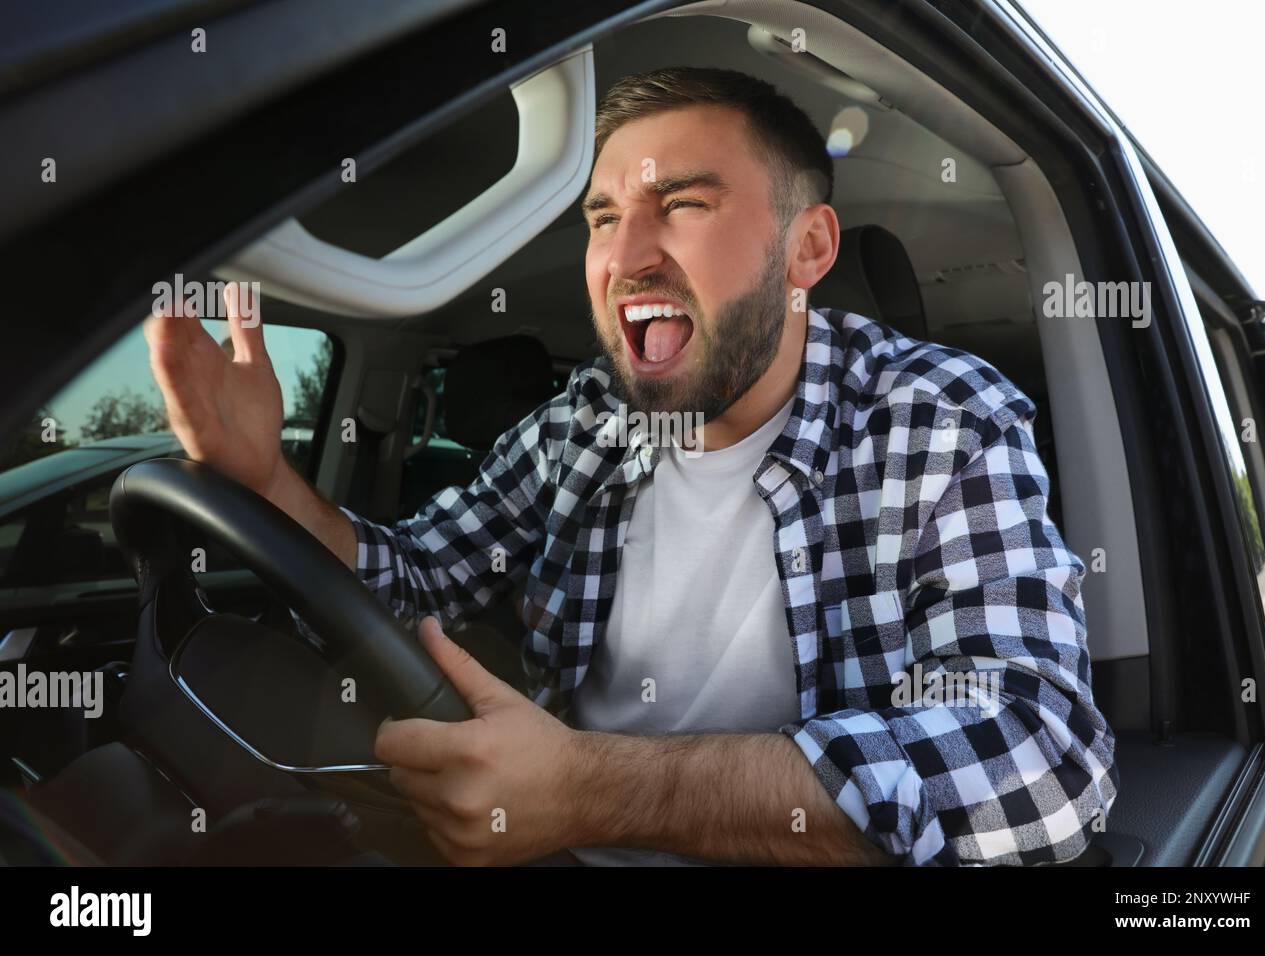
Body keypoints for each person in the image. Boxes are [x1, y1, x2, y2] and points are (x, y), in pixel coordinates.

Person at [145, 66, 1117, 866]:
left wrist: (589, 789)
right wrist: (266, 476)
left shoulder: (933, 419)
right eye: (603, 218)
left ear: (806, 247)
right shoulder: (590, 422)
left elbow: (1041, 766)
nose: (627, 255)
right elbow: (414, 574)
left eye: (683, 203)